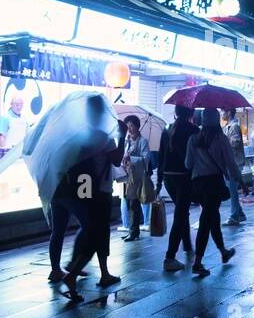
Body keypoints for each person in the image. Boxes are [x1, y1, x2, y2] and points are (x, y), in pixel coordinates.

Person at [59, 96, 126, 302]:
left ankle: (86, 269)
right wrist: (122, 136)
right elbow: (116, 160)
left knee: (91, 229)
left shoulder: (82, 133)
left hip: (83, 189)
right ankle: (74, 273)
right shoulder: (103, 136)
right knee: (96, 232)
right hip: (99, 192)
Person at [184, 108, 239, 276]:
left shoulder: (193, 139)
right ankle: (198, 262)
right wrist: (240, 181)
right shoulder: (220, 139)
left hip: (198, 184)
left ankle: (223, 251)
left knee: (212, 217)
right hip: (214, 183)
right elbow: (230, 162)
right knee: (207, 220)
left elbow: (188, 164)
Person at [156, 106, 198, 271]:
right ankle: (170, 257)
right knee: (180, 214)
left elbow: (161, 156)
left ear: (175, 113)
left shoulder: (167, 129)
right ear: (191, 114)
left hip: (168, 177)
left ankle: (187, 245)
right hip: (184, 176)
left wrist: (159, 181)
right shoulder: (193, 130)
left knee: (182, 211)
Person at [120, 114, 151, 242]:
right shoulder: (127, 140)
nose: (130, 128)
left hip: (137, 177)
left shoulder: (142, 141)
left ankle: (134, 231)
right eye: (128, 126)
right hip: (127, 176)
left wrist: (131, 158)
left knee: (134, 204)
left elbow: (146, 159)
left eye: (132, 126)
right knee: (128, 203)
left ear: (138, 127)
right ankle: (133, 231)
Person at [221, 108, 248, 226]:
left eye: (223, 111)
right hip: (230, 162)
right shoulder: (228, 126)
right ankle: (239, 214)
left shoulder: (234, 127)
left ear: (229, 112)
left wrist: (223, 144)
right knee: (232, 189)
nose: (222, 114)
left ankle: (234, 216)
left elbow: (235, 144)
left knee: (232, 190)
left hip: (234, 162)